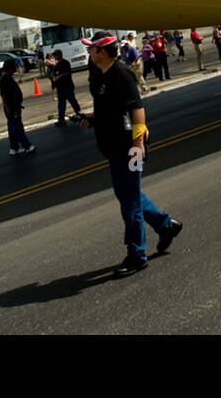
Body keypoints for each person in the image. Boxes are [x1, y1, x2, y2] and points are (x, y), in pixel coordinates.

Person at [76, 35, 182, 277]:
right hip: (113, 148)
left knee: (130, 202)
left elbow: (137, 110)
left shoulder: (121, 74)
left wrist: (137, 144)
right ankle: (166, 226)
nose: (88, 53)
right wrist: (92, 119)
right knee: (127, 194)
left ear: (102, 51)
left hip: (130, 148)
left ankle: (137, 255)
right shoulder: (100, 75)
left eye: (91, 49)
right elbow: (112, 111)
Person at [0, 60, 35, 156]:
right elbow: (3, 95)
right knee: (18, 127)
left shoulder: (8, 78)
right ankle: (27, 146)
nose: (15, 69)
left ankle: (14, 147)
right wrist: (8, 107)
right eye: (14, 67)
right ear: (9, 68)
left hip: (14, 106)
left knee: (12, 128)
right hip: (11, 107)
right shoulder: (4, 79)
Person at [50, 48, 83, 125]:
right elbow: (54, 75)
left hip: (67, 86)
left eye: (56, 55)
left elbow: (68, 72)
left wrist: (60, 76)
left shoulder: (65, 63)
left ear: (60, 55)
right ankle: (61, 119)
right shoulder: (56, 65)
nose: (55, 57)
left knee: (73, 101)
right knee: (61, 104)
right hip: (60, 88)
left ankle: (80, 114)